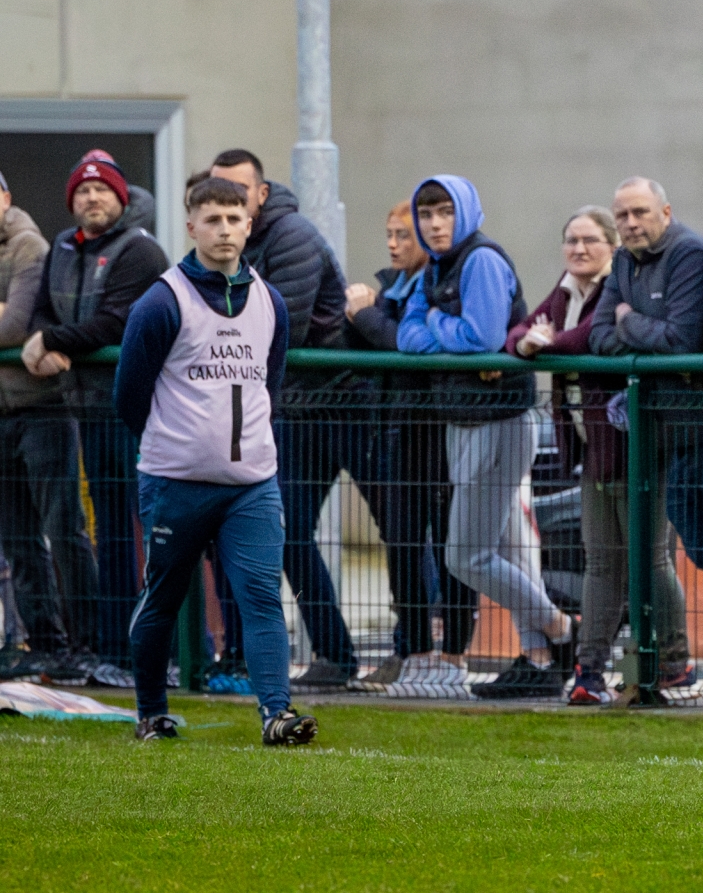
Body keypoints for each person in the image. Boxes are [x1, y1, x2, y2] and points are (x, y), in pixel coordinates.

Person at [113, 176, 315, 745]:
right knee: (164, 598)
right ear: (192, 226)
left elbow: (267, 386)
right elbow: (130, 394)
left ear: (250, 223)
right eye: (213, 219)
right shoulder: (161, 301)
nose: (224, 230)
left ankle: (276, 714)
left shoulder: (271, 301)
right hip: (175, 481)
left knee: (260, 595)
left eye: (234, 218)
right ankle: (151, 712)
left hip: (251, 482)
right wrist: (174, 447)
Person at [399, 175, 573, 699]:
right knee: (500, 547)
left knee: (464, 556)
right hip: (464, 418)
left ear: (466, 212)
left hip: (496, 420)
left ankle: (562, 629)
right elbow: (407, 337)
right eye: (426, 214)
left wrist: (434, 324)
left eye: (444, 212)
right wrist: (437, 324)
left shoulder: (481, 260)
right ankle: (538, 659)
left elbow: (482, 337)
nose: (434, 224)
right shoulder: (435, 267)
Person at [510, 204, 684, 707]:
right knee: (602, 564)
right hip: (591, 455)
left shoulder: (617, 285)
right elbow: (519, 334)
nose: (579, 250)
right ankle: (590, 671)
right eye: (572, 241)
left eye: (590, 241)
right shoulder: (565, 290)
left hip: (634, 448)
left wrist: (546, 345)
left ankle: (671, 662)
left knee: (650, 561)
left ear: (610, 247)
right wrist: (532, 343)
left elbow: (591, 339)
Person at [207, 149, 357, 690]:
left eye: (237, 191)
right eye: (216, 190)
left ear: (261, 193)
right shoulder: (239, 243)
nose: (227, 201)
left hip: (344, 401)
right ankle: (336, 656)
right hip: (296, 406)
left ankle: (423, 657)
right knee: (287, 533)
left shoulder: (290, 235)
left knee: (404, 531)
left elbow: (275, 322)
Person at [23, 153, 168, 677]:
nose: (92, 199)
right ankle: (110, 649)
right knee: (108, 528)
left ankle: (158, 650)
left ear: (120, 197)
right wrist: (47, 338)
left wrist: (51, 341)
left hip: (135, 409)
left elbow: (115, 322)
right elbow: (41, 307)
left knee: (150, 526)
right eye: (83, 192)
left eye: (102, 191)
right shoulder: (62, 246)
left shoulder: (141, 251)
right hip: (83, 405)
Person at [589, 177, 703, 700]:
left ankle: (679, 659)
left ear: (665, 211)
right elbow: (600, 336)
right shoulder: (623, 261)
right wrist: (634, 324)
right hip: (645, 424)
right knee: (646, 548)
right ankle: (661, 661)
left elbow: (681, 338)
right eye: (621, 215)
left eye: (640, 212)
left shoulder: (690, 253)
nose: (630, 223)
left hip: (693, 424)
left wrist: (628, 321)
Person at [345, 201, 475, 698]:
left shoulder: (440, 284)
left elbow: (404, 344)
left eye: (404, 234)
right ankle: (415, 652)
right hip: (396, 431)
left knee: (452, 546)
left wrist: (367, 315)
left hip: (439, 430)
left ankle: (453, 655)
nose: (395, 243)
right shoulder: (390, 288)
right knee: (401, 543)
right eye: (391, 234)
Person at [0, 171, 98, 683]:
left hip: (42, 407)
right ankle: (43, 642)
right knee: (16, 539)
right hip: (2, 413)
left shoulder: (29, 245)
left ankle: (87, 643)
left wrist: (7, 316)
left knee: (64, 530)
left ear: (7, 196)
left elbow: (16, 325)